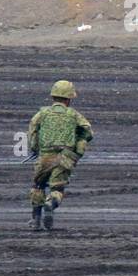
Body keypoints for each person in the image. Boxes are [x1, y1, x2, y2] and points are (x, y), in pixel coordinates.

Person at [27, 80, 94, 231]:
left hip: (45, 157)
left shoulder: (42, 113)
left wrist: (34, 148)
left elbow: (33, 130)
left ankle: (36, 220)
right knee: (57, 188)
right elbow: (88, 131)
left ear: (53, 97)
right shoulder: (74, 115)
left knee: (38, 186)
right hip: (65, 157)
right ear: (69, 98)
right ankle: (50, 204)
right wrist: (79, 143)